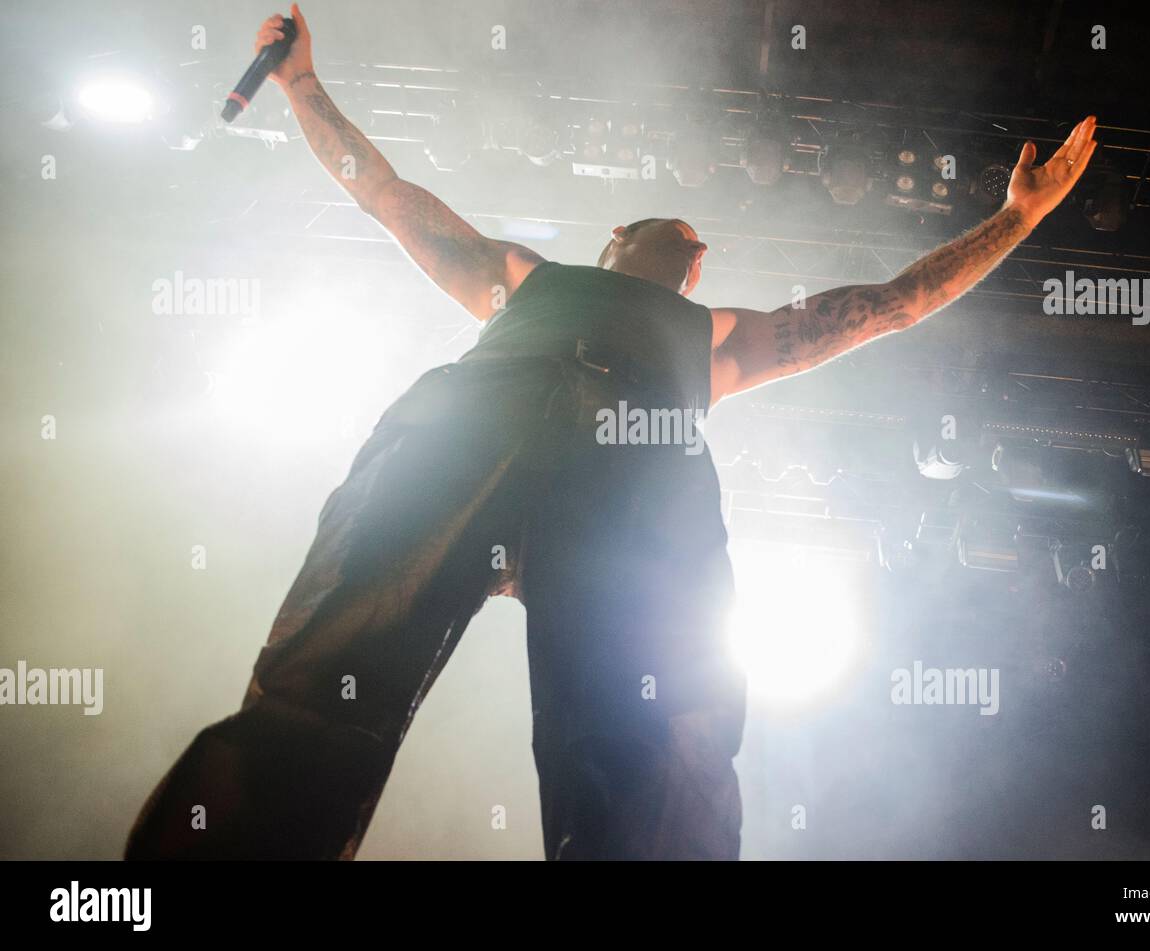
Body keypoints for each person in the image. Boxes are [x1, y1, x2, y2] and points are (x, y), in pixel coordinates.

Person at [124, 3, 1098, 860]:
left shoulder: (720, 341)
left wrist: (1016, 219)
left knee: (659, 732)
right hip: (470, 425)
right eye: (672, 224)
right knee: (329, 680)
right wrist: (303, 88)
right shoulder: (519, 276)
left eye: (701, 242)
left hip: (635, 475)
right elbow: (385, 194)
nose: (699, 238)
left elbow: (889, 305)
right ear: (611, 242)